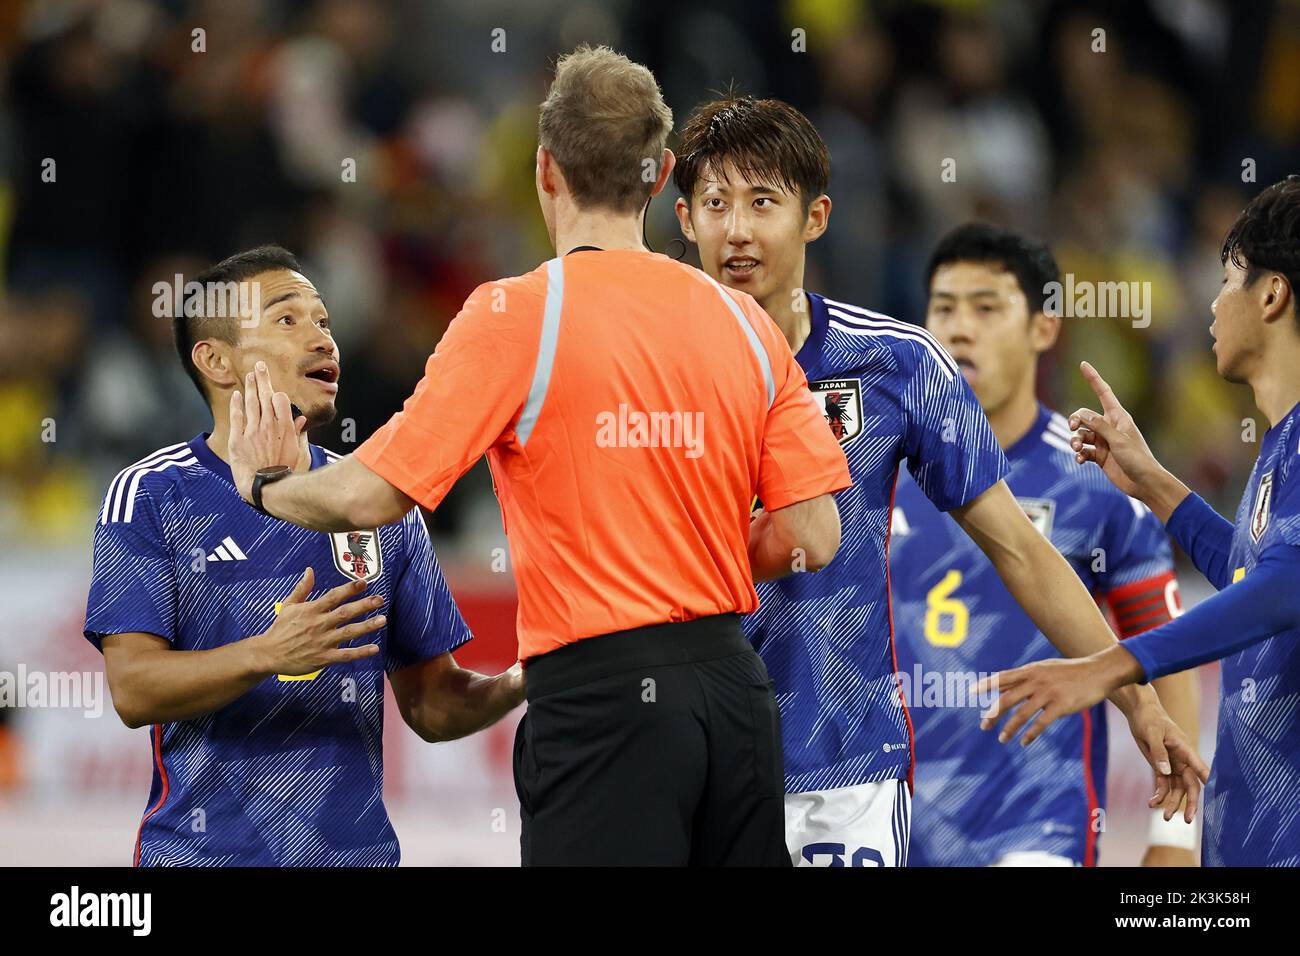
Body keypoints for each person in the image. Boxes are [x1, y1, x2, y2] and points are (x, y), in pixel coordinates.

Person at [222, 47, 851, 866]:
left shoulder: (518, 314)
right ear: (661, 176)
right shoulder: (743, 322)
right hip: (735, 697)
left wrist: (269, 487)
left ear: (545, 169)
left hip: (604, 701)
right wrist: (683, 562)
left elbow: (376, 494)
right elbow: (814, 531)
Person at [672, 94, 1207, 867]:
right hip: (691, 765)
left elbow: (1020, 550)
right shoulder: (644, 371)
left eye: (763, 202)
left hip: (844, 774)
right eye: (714, 204)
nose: (738, 230)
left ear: (815, 217)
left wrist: (1141, 705)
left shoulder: (897, 365)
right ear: (684, 220)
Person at [85, 245, 523, 867]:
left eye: (323, 320)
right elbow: (133, 688)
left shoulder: (374, 502)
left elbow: (433, 703)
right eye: (288, 320)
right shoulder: (151, 494)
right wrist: (269, 653)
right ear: (216, 360)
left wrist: (524, 677)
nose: (322, 338)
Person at [977, 176, 1300, 868]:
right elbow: (1255, 570)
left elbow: (1288, 585)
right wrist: (1152, 483)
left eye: (1228, 279)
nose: (1213, 304)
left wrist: (1110, 666)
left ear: (1272, 295)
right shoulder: (1282, 442)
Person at [891, 223, 1199, 867]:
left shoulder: (1098, 479)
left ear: (1044, 328)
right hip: (890, 824)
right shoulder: (875, 472)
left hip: (1038, 826)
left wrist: (1174, 841)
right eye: (943, 309)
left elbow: (1165, 650)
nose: (959, 329)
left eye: (987, 307)